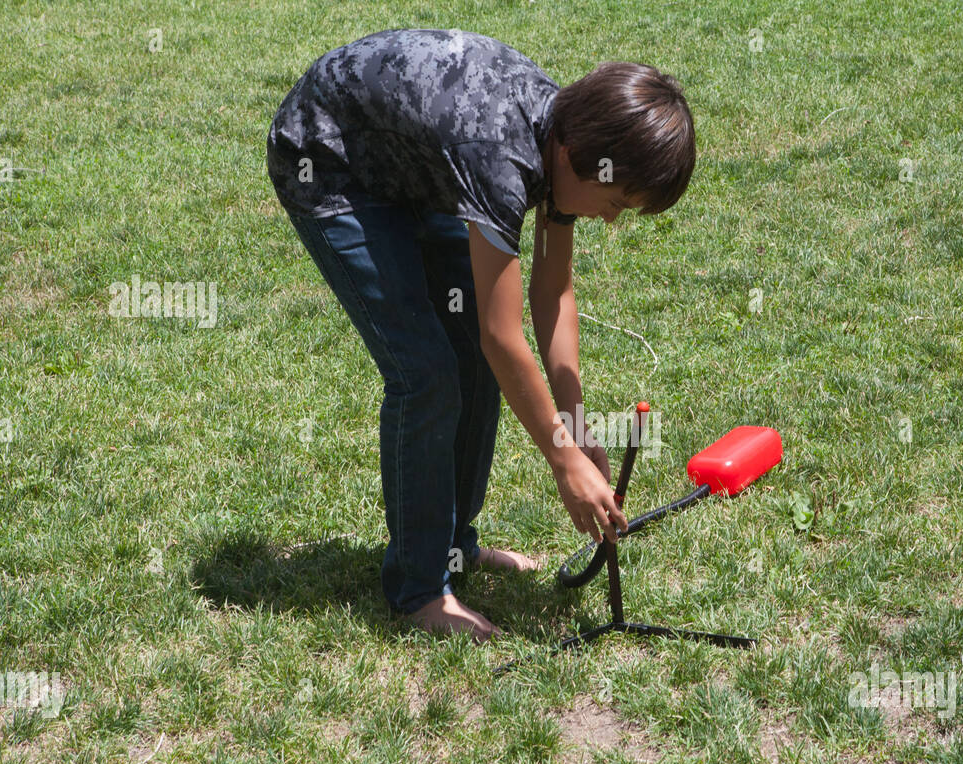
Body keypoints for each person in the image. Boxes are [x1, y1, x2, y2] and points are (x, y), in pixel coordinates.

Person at [266, 28, 695, 642]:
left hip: (413, 164)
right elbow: (505, 336)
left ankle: (453, 551)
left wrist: (576, 429)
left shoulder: (560, 136)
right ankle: (419, 590)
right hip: (329, 159)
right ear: (579, 154)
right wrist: (562, 460)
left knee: (468, 357)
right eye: (617, 202)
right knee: (428, 375)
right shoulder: (502, 158)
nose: (610, 219)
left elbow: (553, 295)